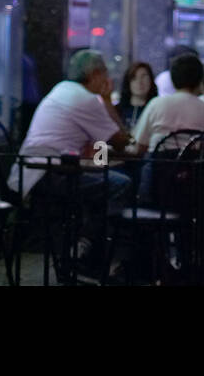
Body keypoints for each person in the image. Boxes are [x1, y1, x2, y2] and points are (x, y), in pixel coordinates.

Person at [9, 50, 133, 261]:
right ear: (94, 74)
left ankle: (85, 249)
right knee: (120, 184)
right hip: (48, 173)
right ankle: (90, 249)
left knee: (104, 183)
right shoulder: (86, 99)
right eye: (105, 74)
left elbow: (98, 145)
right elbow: (120, 141)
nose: (107, 80)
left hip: (29, 170)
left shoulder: (61, 89)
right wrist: (106, 99)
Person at [132, 53, 204, 154]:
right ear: (200, 81)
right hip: (197, 168)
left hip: (160, 167)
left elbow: (139, 147)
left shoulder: (156, 104)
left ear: (172, 80)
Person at [117, 61, 158, 130]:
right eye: (134, 78)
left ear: (151, 80)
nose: (139, 82)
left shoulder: (157, 110)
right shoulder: (118, 110)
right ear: (128, 82)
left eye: (144, 77)